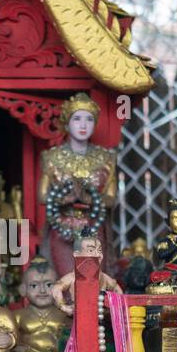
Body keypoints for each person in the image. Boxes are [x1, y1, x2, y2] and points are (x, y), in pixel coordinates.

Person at [38, 92, 116, 276]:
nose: (83, 124)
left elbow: (112, 199)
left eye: (89, 119)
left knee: (93, 281)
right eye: (77, 118)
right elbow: (42, 196)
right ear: (67, 123)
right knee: (66, 282)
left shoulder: (107, 158)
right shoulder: (52, 157)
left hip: (93, 228)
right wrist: (65, 198)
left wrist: (89, 198)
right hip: (62, 226)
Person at [52, 226, 122, 317]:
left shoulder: (103, 277)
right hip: (79, 317)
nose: (98, 255)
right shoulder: (72, 277)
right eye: (91, 250)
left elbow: (116, 288)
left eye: (99, 251)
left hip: (101, 317)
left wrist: (114, 308)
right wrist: (63, 306)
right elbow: (56, 288)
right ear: (77, 255)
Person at [15, 257, 67, 352]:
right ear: (23, 289)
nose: (42, 291)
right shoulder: (18, 316)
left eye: (49, 285)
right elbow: (11, 339)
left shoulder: (64, 314)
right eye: (34, 286)